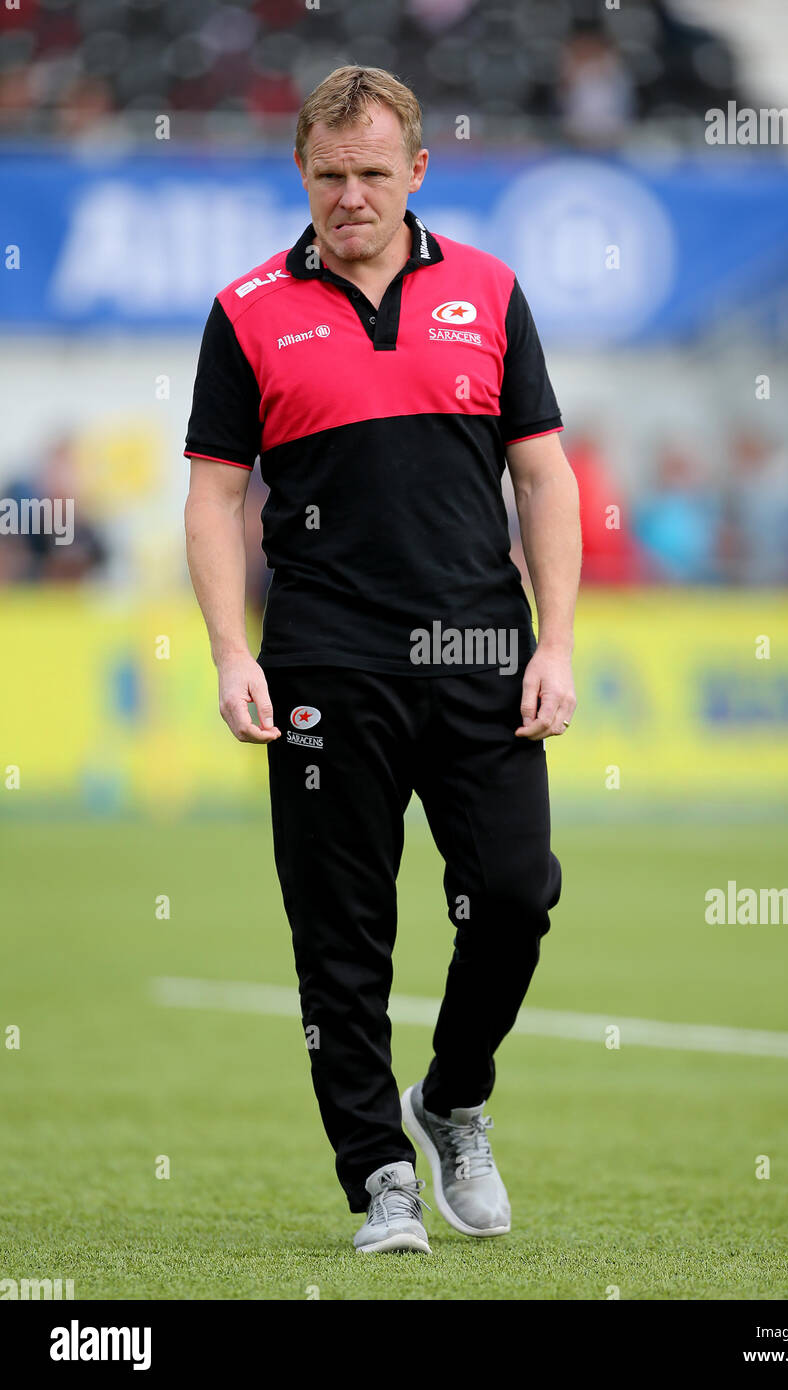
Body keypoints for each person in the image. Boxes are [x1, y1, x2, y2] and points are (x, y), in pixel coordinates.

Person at [184, 65, 581, 1255]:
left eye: (370, 172)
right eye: (326, 175)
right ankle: (379, 1178)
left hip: (478, 653)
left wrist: (554, 640)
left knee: (514, 895)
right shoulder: (246, 309)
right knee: (341, 939)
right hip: (323, 662)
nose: (349, 195)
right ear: (300, 175)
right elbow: (212, 499)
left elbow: (543, 475)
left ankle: (453, 1098)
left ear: (417, 170)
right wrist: (227, 651)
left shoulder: (490, 289)